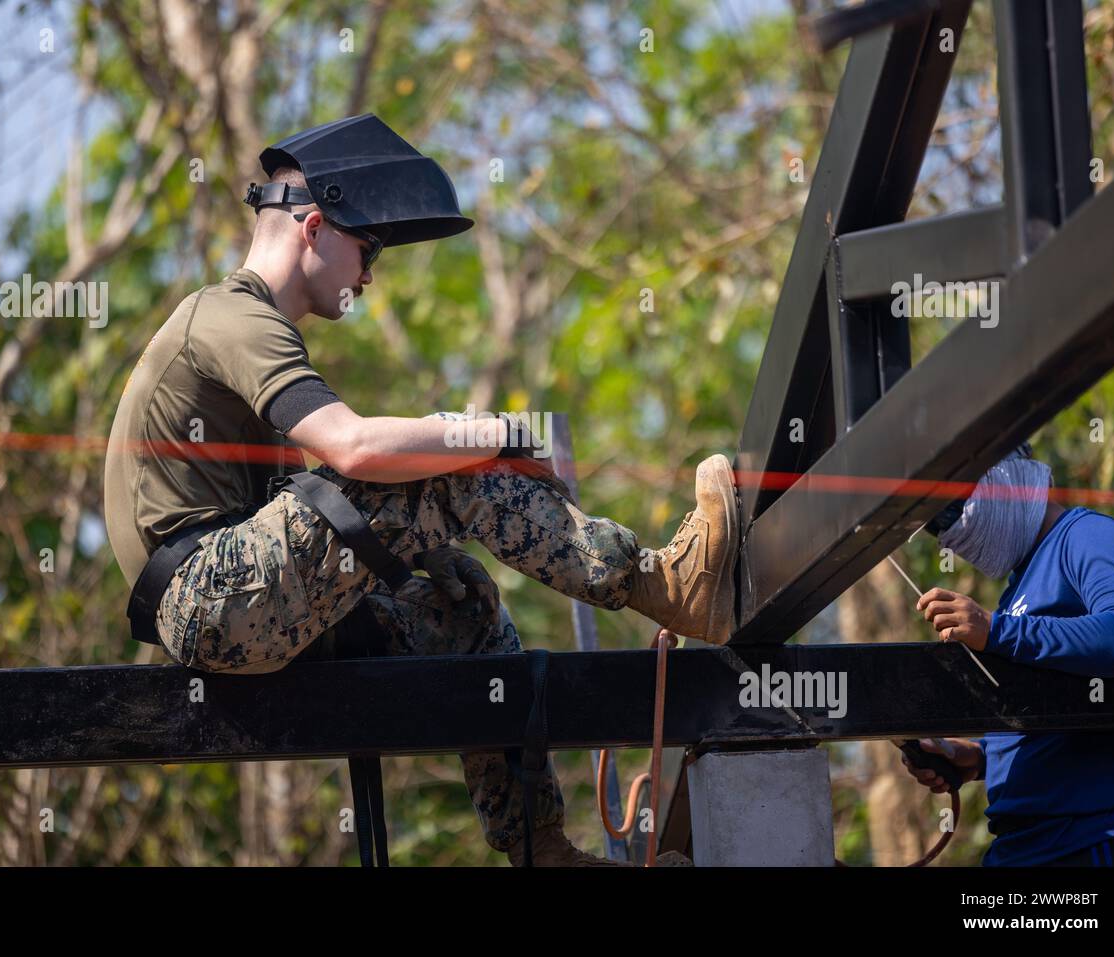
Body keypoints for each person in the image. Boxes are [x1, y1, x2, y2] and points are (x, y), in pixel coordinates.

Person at [103, 114, 739, 866]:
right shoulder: (232, 315)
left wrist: (419, 551)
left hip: (241, 604)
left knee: (465, 610)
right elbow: (352, 447)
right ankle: (662, 583)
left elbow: (312, 503)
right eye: (366, 249)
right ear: (313, 226)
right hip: (210, 599)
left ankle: (537, 846)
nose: (367, 275)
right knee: (450, 464)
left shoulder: (247, 329)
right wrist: (488, 435)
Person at [901, 446, 1114, 866]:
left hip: (1092, 837)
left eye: (952, 508)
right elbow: (1051, 703)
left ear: (1006, 476)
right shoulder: (1021, 583)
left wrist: (997, 629)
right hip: (1022, 845)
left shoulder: (1085, 536)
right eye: (937, 524)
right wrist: (977, 759)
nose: (949, 531)